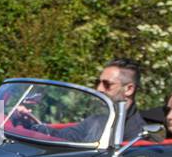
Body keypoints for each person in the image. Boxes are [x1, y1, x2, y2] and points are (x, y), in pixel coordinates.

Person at [11, 58, 147, 143]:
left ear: (129, 89)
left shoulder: (138, 133)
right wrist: (32, 124)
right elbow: (63, 136)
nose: (99, 89)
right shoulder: (98, 120)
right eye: (98, 82)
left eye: (107, 84)